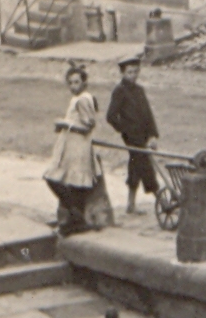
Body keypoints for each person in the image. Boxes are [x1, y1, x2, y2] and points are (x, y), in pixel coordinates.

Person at [44, 63, 103, 235]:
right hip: (72, 146)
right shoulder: (76, 99)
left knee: (53, 178)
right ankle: (75, 220)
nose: (73, 86)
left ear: (84, 83)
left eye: (77, 82)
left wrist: (65, 124)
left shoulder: (84, 99)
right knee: (74, 183)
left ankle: (76, 215)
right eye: (70, 82)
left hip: (78, 147)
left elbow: (87, 127)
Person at [107, 53, 160, 215]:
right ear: (122, 73)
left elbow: (148, 114)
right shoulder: (119, 91)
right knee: (145, 165)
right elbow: (110, 116)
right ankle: (161, 198)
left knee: (135, 166)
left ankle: (130, 204)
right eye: (130, 72)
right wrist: (125, 130)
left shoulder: (139, 90)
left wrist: (153, 135)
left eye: (136, 72)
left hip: (143, 134)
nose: (133, 75)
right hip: (132, 136)